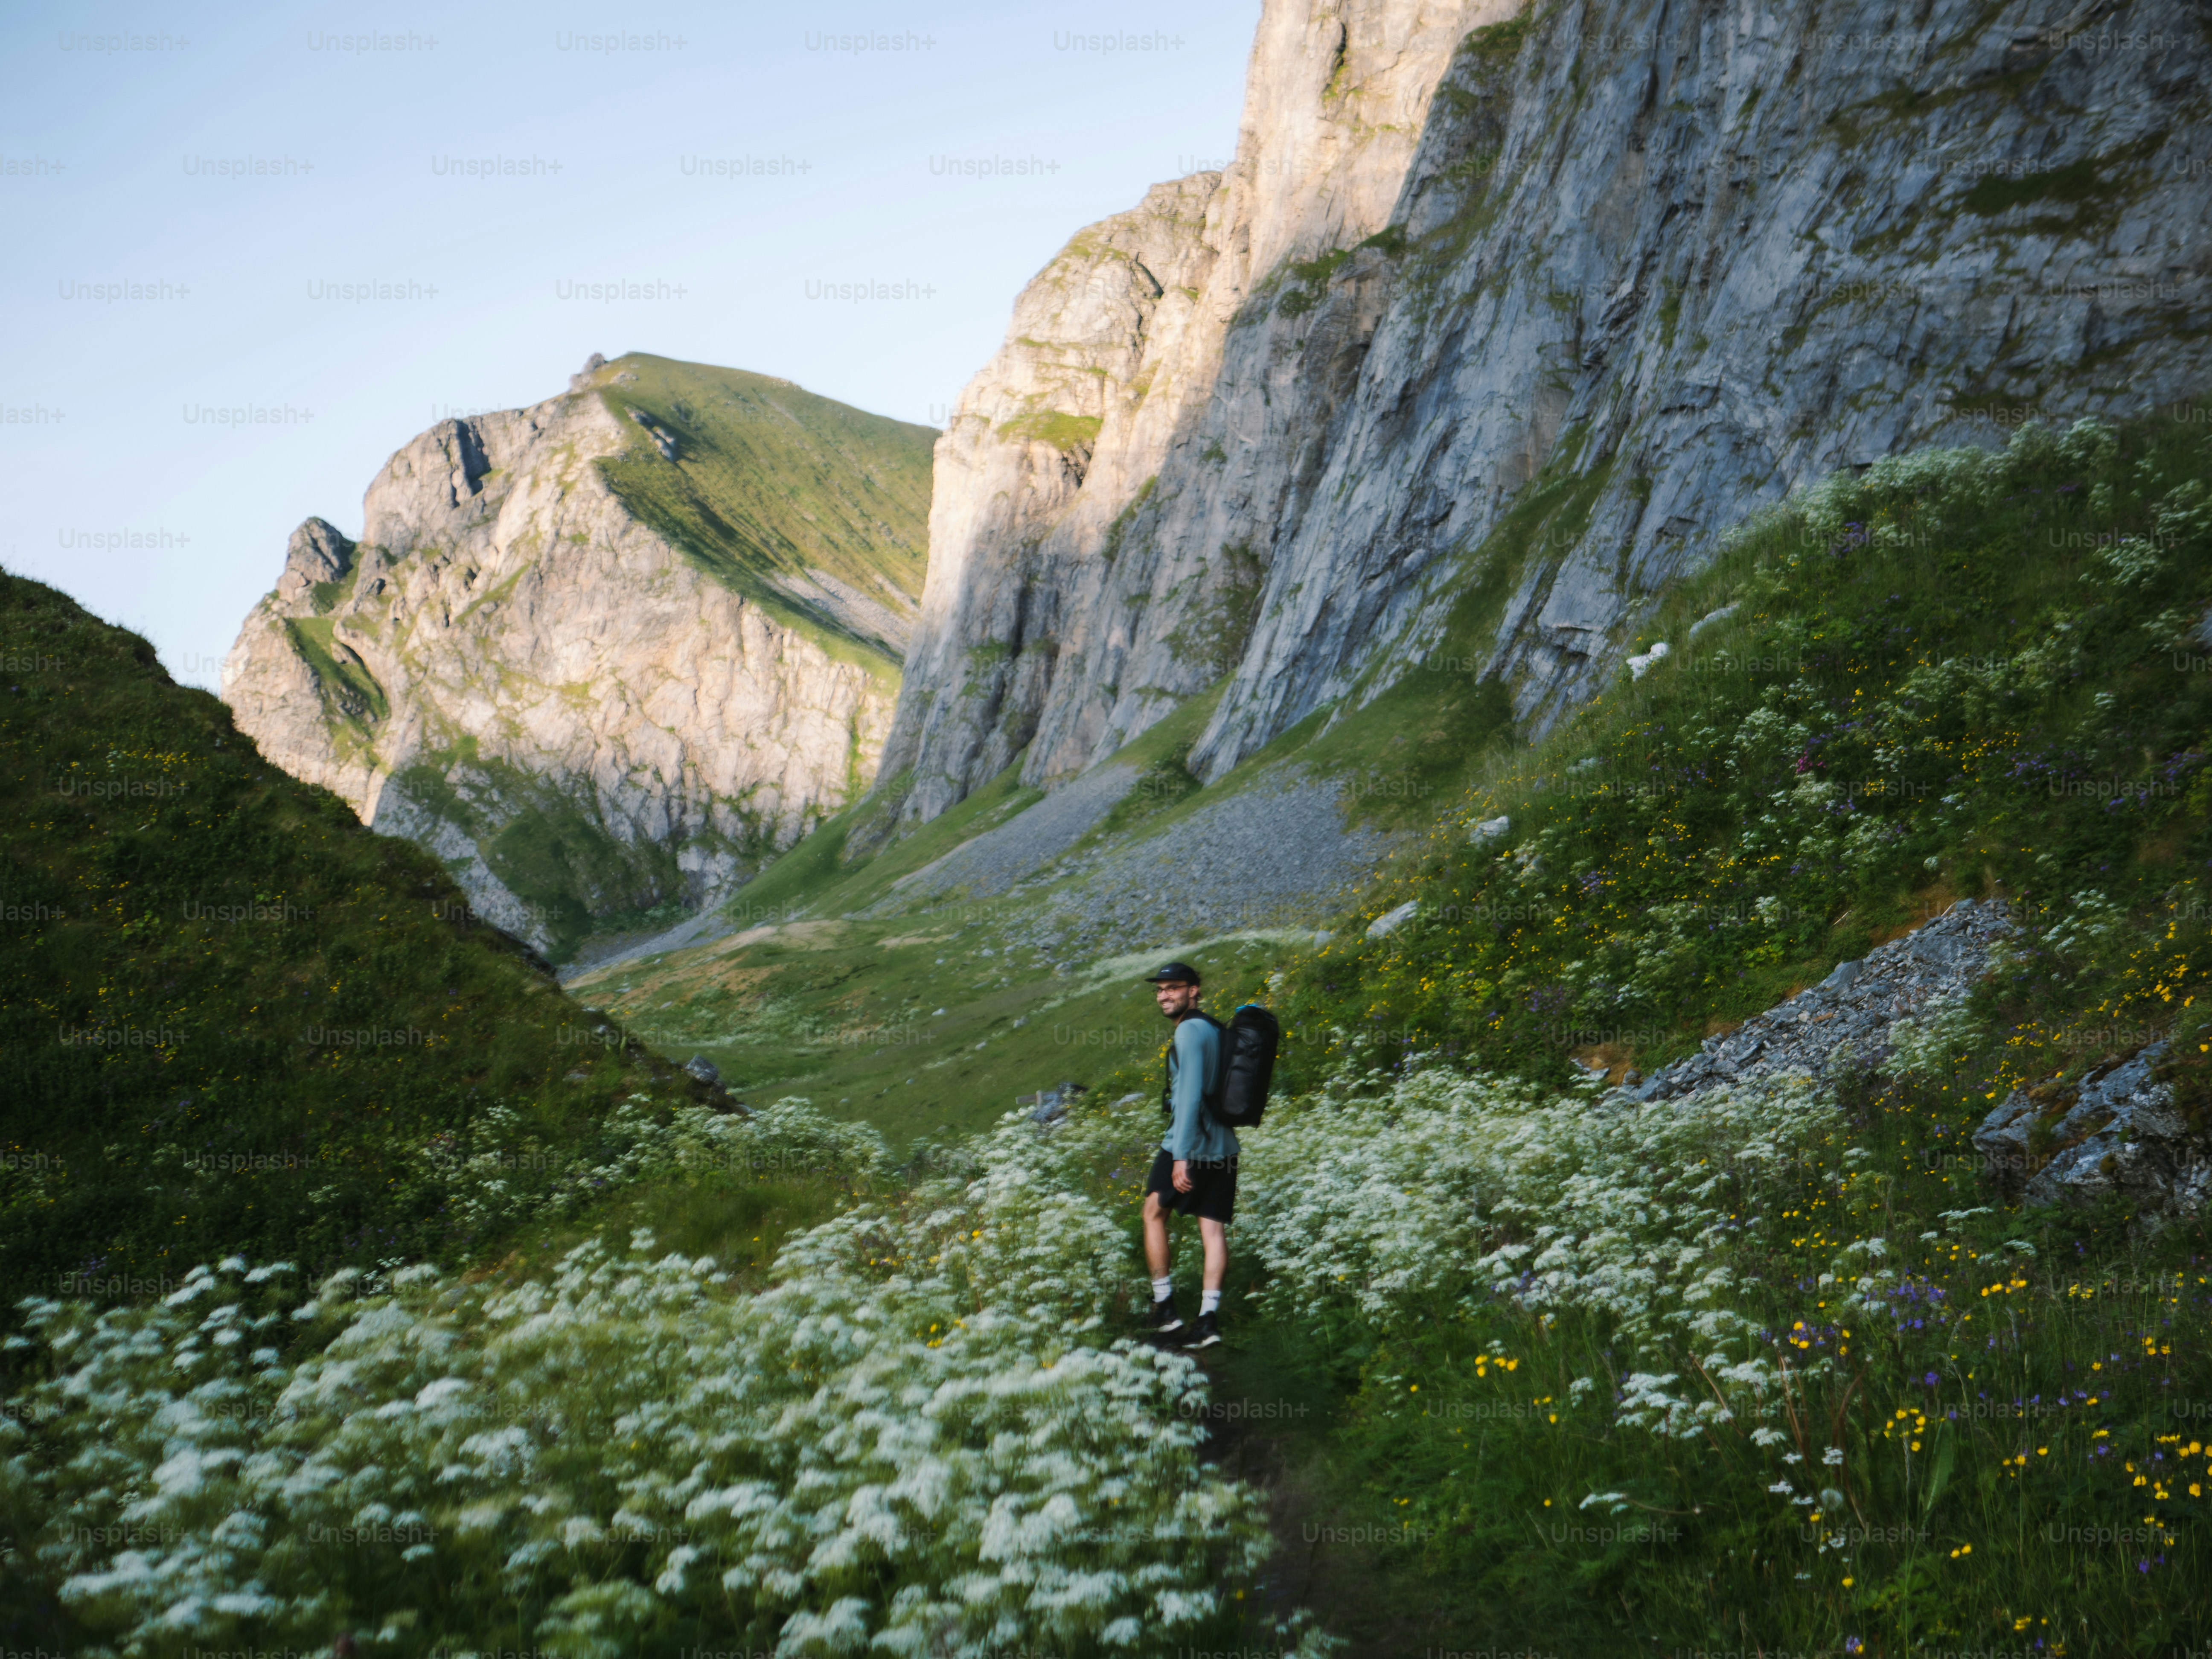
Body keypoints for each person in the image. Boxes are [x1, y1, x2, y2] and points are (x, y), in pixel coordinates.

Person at [1139, 960, 1237, 1348]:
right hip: (1224, 1145)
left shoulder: (1189, 1033)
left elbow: (1190, 1093)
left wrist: (1181, 1155)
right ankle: (1208, 1320)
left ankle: (1165, 1309)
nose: (1165, 995)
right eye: (1160, 990)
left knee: (1153, 1213)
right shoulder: (1215, 1028)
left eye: (1174, 988)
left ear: (1194, 990)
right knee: (1211, 1229)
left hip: (1189, 1144)